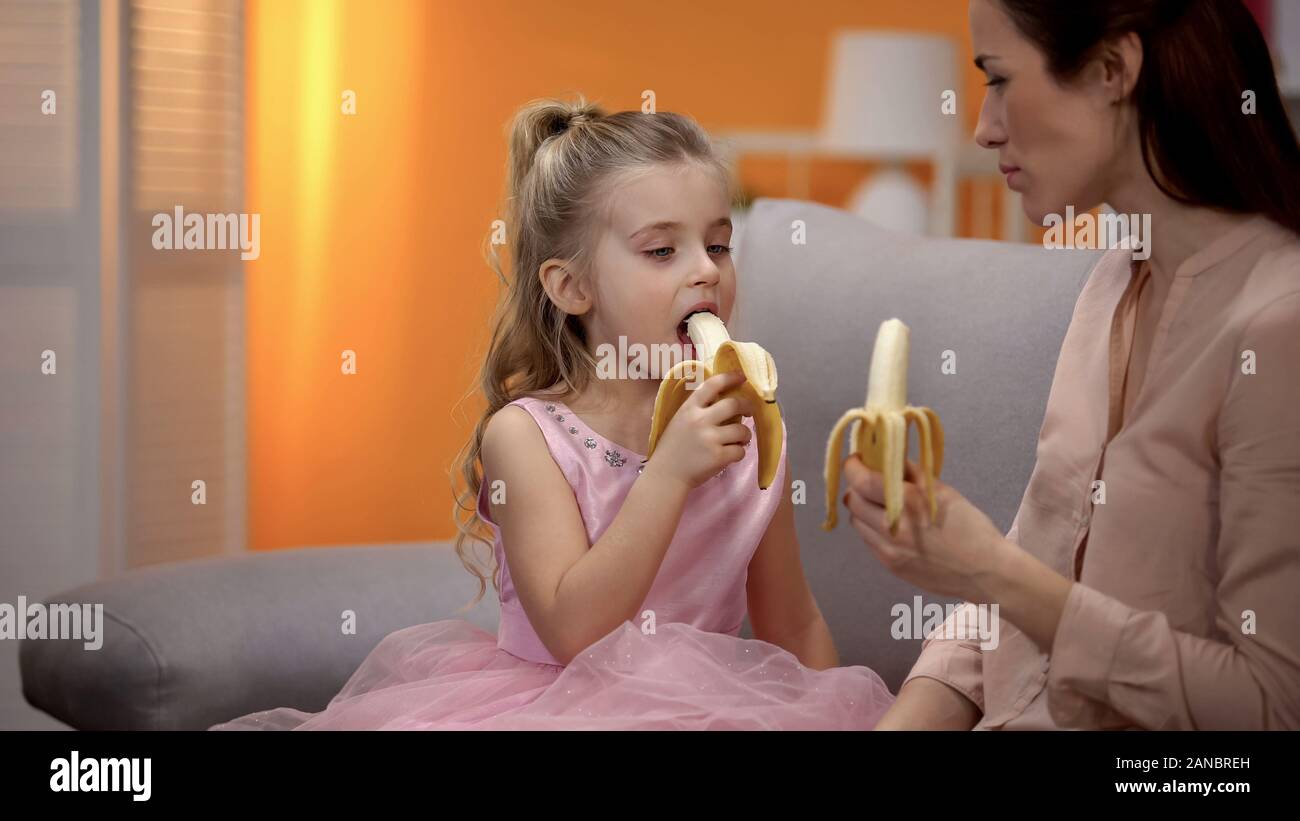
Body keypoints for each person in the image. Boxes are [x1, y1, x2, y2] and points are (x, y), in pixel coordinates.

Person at [210, 96, 895, 730]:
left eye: (717, 244)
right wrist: (669, 475)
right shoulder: (528, 438)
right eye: (663, 250)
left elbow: (794, 623)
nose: (707, 270)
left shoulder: (746, 430)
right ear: (571, 287)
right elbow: (576, 631)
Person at [850, 0, 1300, 730]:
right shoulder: (1112, 283)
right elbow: (1022, 588)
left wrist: (988, 569)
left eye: (998, 79)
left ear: (1112, 70)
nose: (983, 126)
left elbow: (1271, 709)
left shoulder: (1278, 326)